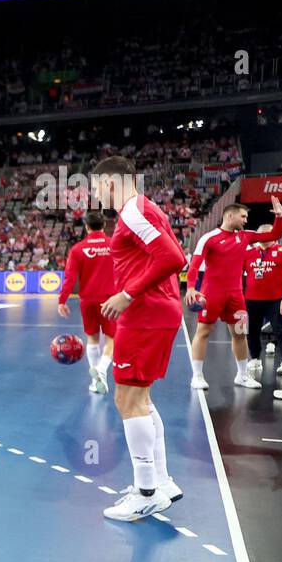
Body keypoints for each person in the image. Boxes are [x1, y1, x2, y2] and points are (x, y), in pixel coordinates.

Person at [93, 156, 187, 522]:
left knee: (126, 397)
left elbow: (174, 258)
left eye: (97, 187)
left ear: (111, 183)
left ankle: (145, 493)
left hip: (145, 313)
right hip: (159, 311)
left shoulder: (133, 213)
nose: (96, 195)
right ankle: (161, 482)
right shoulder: (149, 209)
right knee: (141, 398)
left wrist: (127, 294)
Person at [186, 199, 282, 390]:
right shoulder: (209, 238)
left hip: (236, 294)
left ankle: (241, 375)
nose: (246, 220)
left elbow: (275, 233)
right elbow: (195, 264)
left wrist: (279, 216)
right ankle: (197, 376)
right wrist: (190, 287)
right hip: (212, 293)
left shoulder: (246, 236)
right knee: (203, 332)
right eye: (243, 216)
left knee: (240, 333)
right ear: (230, 216)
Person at [57, 210, 117, 394]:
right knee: (113, 339)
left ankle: (95, 381)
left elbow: (69, 277)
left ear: (86, 226)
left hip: (88, 300)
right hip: (110, 300)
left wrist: (62, 300)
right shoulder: (114, 245)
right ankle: (102, 369)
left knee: (92, 338)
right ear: (104, 225)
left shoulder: (77, 249)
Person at [243, 227, 282, 380]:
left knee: (281, 331)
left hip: (276, 300)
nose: (265, 235)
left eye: (268, 232)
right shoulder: (248, 252)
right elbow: (239, 274)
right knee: (252, 331)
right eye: (262, 233)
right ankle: (255, 359)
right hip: (252, 299)